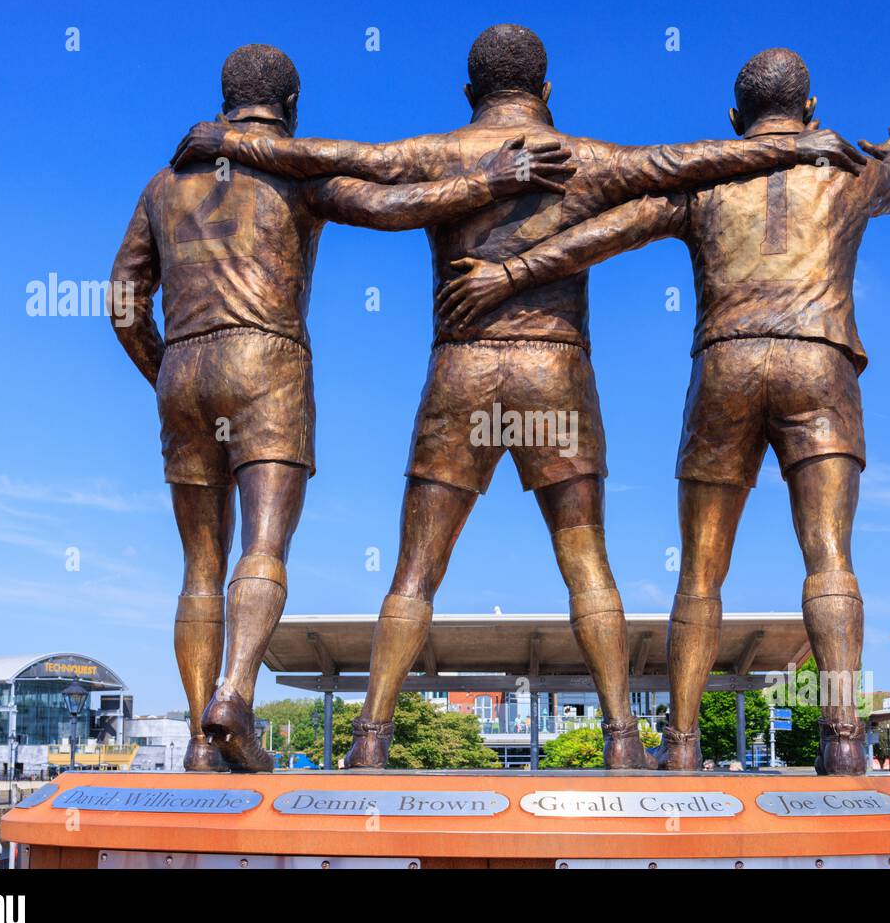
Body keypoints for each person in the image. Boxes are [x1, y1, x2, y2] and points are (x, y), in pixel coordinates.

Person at [171, 25, 866, 770]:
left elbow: (341, 159)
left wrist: (230, 142)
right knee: (587, 562)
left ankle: (369, 742)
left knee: (414, 573)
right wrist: (793, 146)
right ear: (548, 91)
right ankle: (624, 742)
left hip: (461, 375)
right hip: (555, 371)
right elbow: (687, 163)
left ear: (469, 93)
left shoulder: (438, 153)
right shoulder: (588, 160)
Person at [436, 47, 890, 773]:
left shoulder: (708, 180)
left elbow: (607, 233)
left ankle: (681, 744)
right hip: (822, 362)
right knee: (830, 557)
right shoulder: (850, 170)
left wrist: (510, 272)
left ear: (732, 118)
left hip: (725, 366)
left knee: (699, 572)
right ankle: (844, 736)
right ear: (809, 111)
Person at [109, 43, 570, 772]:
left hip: (186, 363)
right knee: (262, 545)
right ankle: (233, 691)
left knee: (199, 566)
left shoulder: (163, 185)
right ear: (291, 108)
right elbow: (394, 206)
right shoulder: (296, 175)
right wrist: (483, 179)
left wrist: (164, 368)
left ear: (227, 99)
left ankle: (200, 744)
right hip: (267, 362)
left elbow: (123, 298)